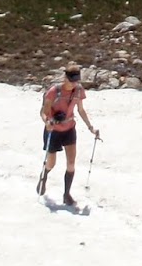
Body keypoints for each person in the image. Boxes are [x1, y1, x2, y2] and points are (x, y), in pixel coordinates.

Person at [38, 63, 100, 206]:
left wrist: (91, 127)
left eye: (77, 81)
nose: (74, 84)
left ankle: (66, 194)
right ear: (65, 78)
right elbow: (44, 111)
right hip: (53, 131)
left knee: (71, 163)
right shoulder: (54, 91)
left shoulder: (78, 91)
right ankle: (44, 176)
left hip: (69, 129)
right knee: (51, 163)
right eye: (72, 81)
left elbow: (81, 110)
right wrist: (47, 122)